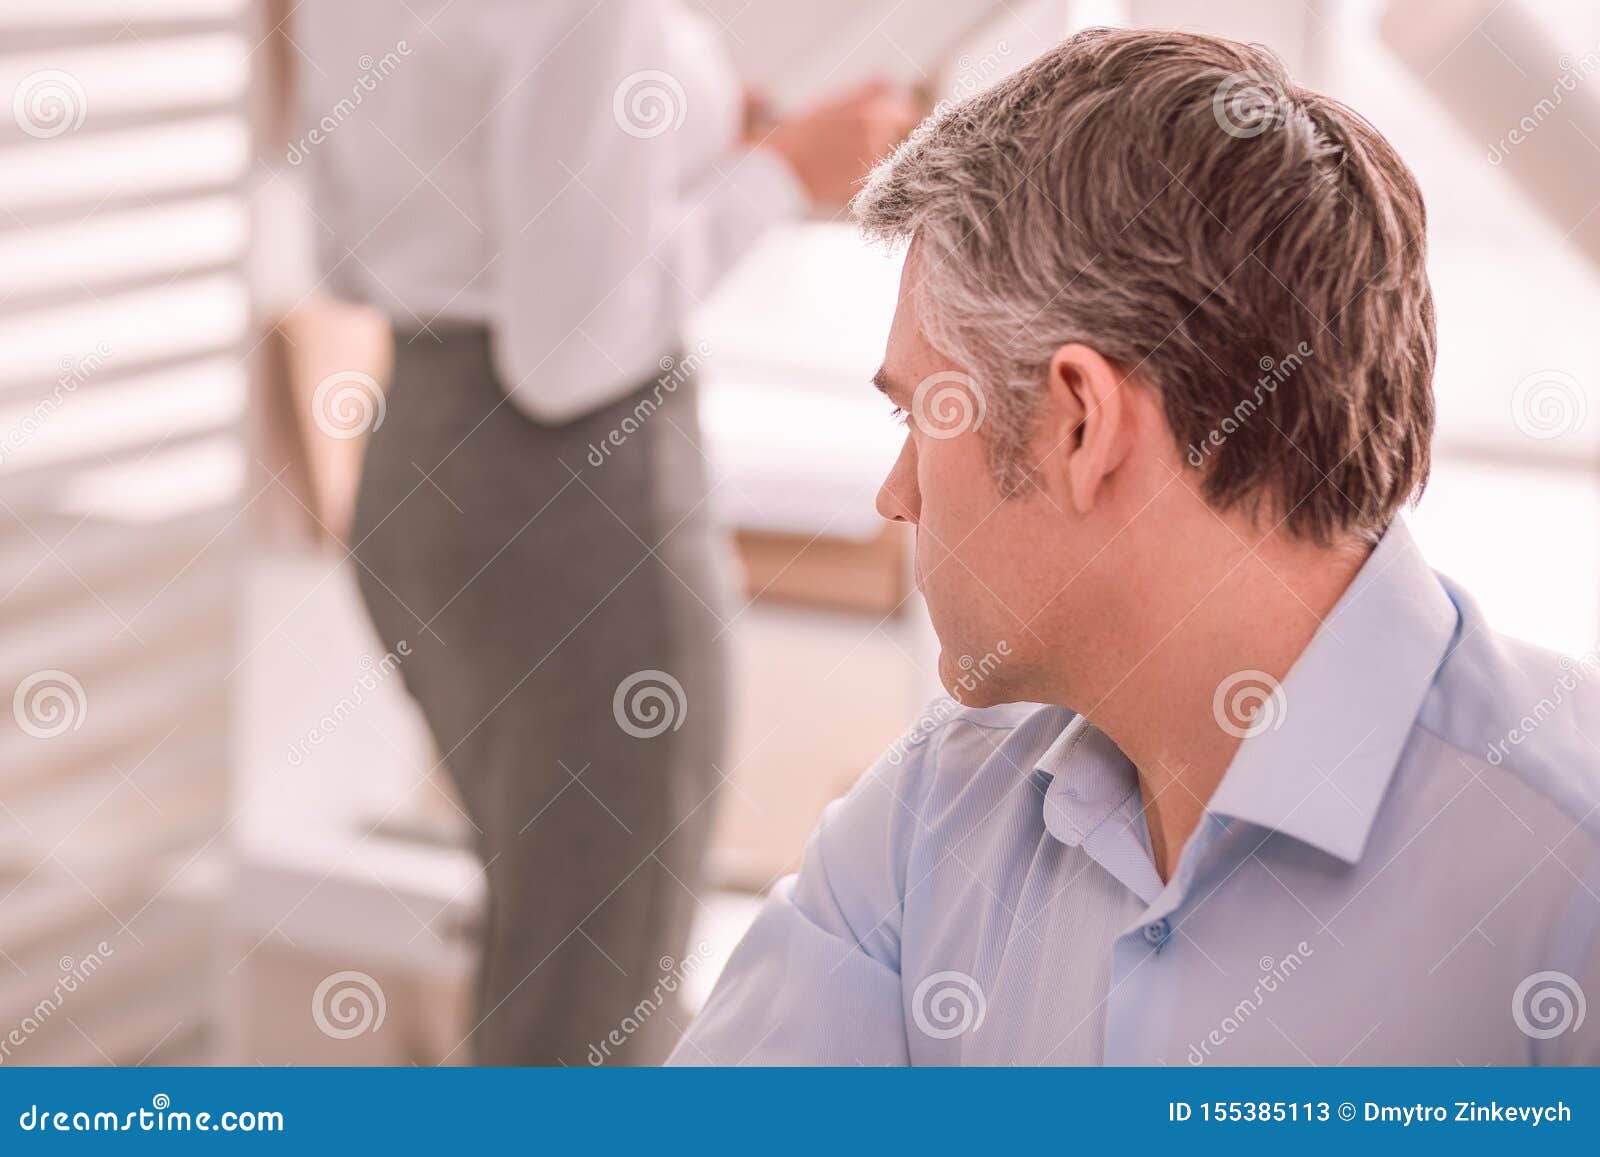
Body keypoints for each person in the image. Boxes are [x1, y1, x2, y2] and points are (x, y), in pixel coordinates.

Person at [669, 27, 1600, 1065]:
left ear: (1079, 421)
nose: (896, 496)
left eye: (918, 421)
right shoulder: (931, 816)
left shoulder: (1567, 876)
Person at [294, 0, 916, 1064]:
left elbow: (347, 255)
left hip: (416, 463)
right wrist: (779, 171)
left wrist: (676, 152)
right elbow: (569, 354)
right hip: (569, 505)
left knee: (546, 958)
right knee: (592, 1010)